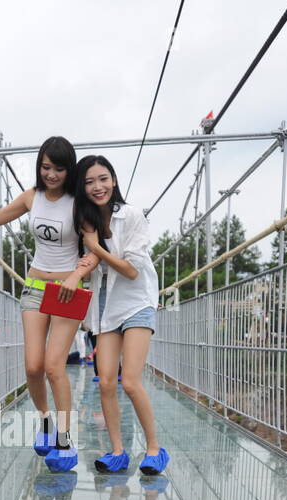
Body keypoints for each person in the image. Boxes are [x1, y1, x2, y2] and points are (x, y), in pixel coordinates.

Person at [0, 136, 98, 472]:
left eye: (59, 168)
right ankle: (46, 422)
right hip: (35, 288)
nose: (51, 174)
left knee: (55, 367)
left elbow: (96, 248)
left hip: (67, 289)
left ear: (70, 170)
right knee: (33, 367)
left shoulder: (78, 203)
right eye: (46, 167)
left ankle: (65, 440)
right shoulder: (31, 198)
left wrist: (76, 275)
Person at [72, 155, 169, 475]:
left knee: (129, 381)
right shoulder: (85, 223)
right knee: (105, 383)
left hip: (138, 302)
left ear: (113, 180)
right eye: (88, 182)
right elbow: (88, 267)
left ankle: (155, 450)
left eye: (102, 179)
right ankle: (117, 451)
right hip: (108, 309)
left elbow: (129, 270)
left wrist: (95, 248)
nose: (97, 187)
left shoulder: (133, 216)